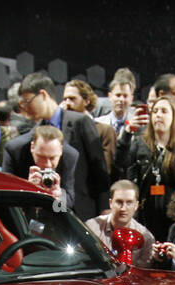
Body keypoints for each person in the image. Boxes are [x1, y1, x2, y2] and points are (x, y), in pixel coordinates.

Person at [6, 72, 109, 220]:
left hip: (82, 211)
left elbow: (99, 169)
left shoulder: (80, 122)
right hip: (50, 213)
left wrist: (104, 208)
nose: (26, 109)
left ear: (43, 94)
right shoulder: (31, 136)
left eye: (28, 101)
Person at [113, 96, 175, 240]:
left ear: (174, 118)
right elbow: (120, 164)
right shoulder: (140, 144)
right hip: (144, 214)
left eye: (164, 111)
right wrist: (128, 132)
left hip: (174, 218)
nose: (158, 115)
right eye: (155, 111)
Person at [85, 179, 155, 267]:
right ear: (110, 203)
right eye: (119, 202)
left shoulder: (146, 237)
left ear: (136, 205)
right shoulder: (91, 228)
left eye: (129, 203)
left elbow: (143, 273)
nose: (123, 208)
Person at [16, 125, 76, 209]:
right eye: (41, 157)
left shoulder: (70, 157)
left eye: (52, 158)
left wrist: (57, 197)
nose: (47, 164)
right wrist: (28, 190)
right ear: (32, 147)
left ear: (61, 150)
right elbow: (7, 202)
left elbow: (69, 204)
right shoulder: (16, 153)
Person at [65, 79, 117, 174]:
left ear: (86, 101)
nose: (67, 103)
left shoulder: (104, 130)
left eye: (72, 99)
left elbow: (105, 170)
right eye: (65, 99)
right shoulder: (62, 131)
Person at [99, 68, 138, 133]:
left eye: (125, 96)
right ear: (110, 96)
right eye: (118, 95)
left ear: (131, 99)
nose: (121, 99)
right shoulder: (98, 124)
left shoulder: (137, 126)